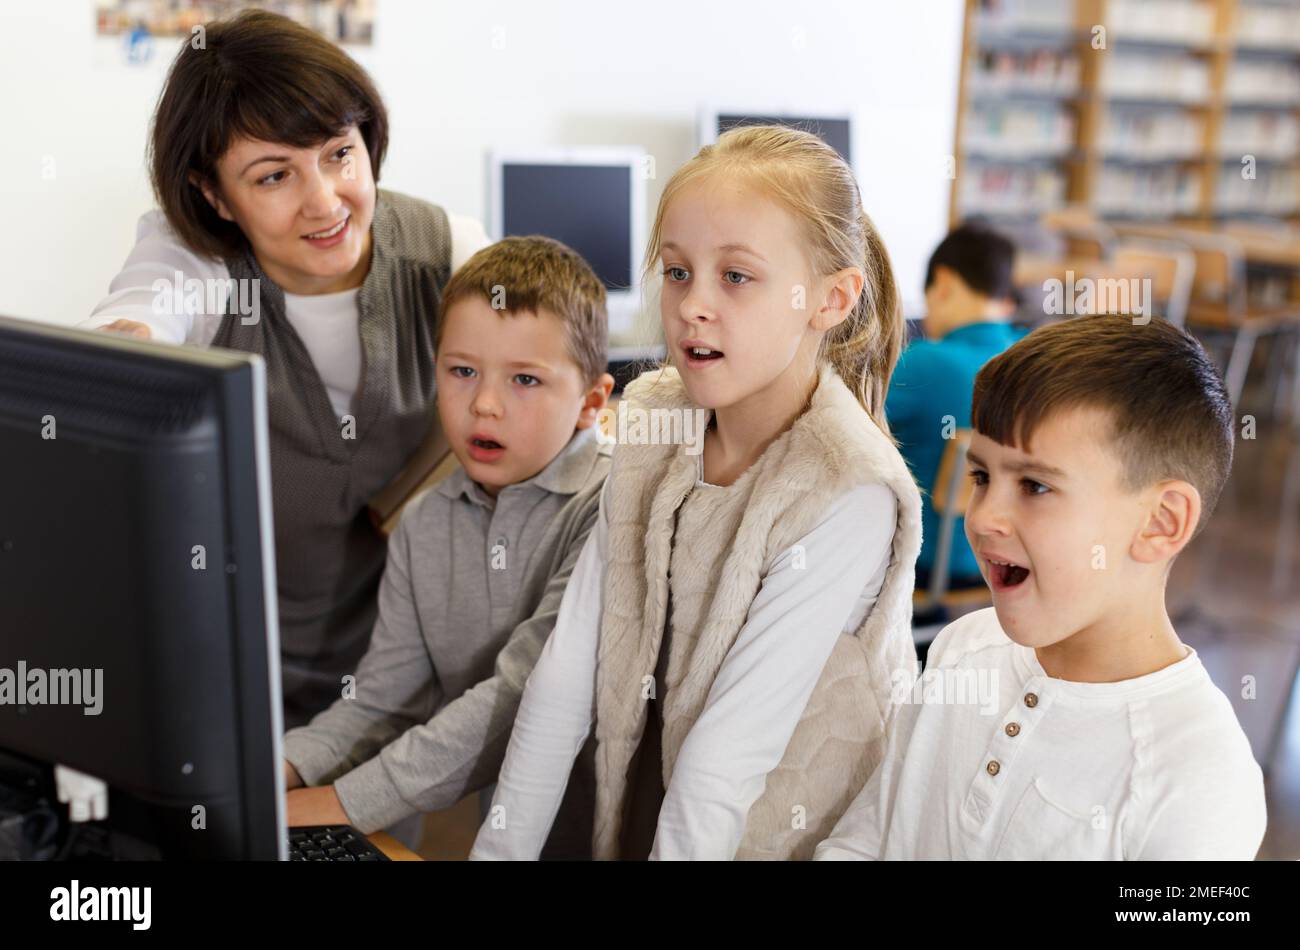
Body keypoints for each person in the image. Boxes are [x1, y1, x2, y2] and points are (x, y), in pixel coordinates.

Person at [471, 125, 922, 861]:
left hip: (780, 835)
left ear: (831, 299)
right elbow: (566, 670)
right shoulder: (653, 422)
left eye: (735, 277)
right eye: (677, 272)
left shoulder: (848, 490)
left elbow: (725, 760)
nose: (691, 306)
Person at [80, 10, 490, 726]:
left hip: (385, 672)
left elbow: (545, 368)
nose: (325, 201)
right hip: (212, 659)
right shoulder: (199, 260)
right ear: (215, 195)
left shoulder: (446, 248)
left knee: (363, 840)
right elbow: (140, 314)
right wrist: (124, 350)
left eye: (339, 153)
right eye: (274, 176)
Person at [816, 316, 1267, 860]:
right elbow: (868, 838)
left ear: (1160, 523)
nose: (984, 518)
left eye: (1035, 485)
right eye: (982, 477)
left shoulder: (1201, 782)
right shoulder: (963, 648)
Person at [281, 237, 614, 858]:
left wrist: (342, 802)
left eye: (525, 380)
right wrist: (284, 770)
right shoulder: (424, 523)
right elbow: (383, 700)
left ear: (592, 403)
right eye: (462, 371)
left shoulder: (611, 507)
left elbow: (523, 694)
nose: (484, 404)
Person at [886, 224, 1023, 590]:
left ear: (942, 282)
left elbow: (848, 427)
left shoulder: (923, 362)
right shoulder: (1038, 360)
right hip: (1013, 560)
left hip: (922, 564)